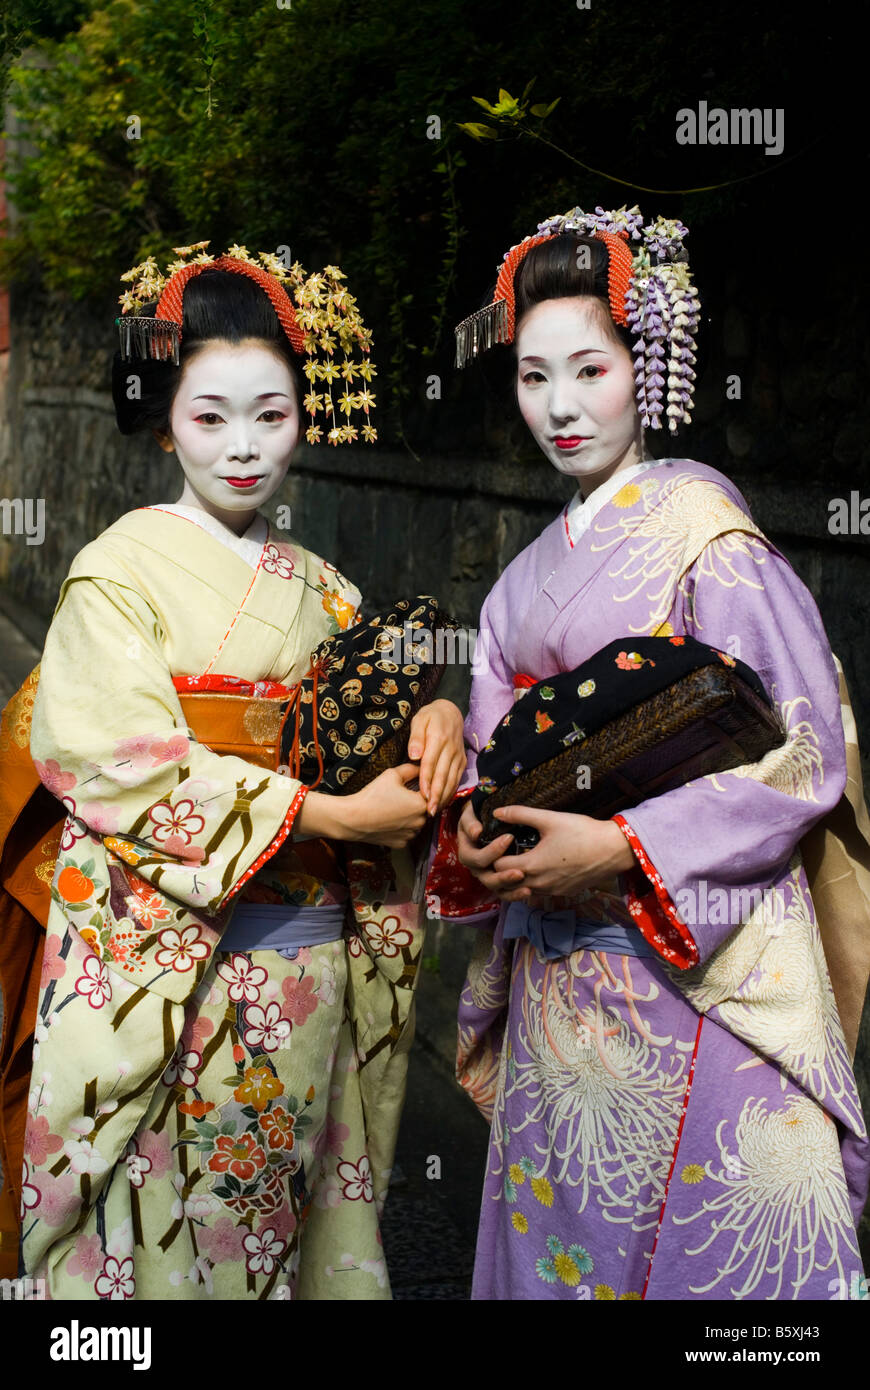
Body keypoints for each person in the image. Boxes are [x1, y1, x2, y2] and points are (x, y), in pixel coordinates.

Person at [428, 204, 870, 1300]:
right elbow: (496, 761)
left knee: (715, 1256)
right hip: (559, 984)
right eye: (534, 378)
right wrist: (479, 832)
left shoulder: (707, 536)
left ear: (649, 364)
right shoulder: (515, 585)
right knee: (563, 1250)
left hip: (694, 967)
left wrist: (623, 844)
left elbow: (806, 755)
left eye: (590, 368)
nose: (562, 407)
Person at [8, 243, 464, 1299]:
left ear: (309, 411)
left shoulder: (325, 587)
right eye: (210, 416)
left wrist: (437, 712)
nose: (245, 447)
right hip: (171, 972)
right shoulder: (116, 573)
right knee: (170, 1239)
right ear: (165, 416)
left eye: (273, 413)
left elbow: (388, 695)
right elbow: (113, 761)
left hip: (306, 975)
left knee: (281, 1220)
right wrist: (335, 816)